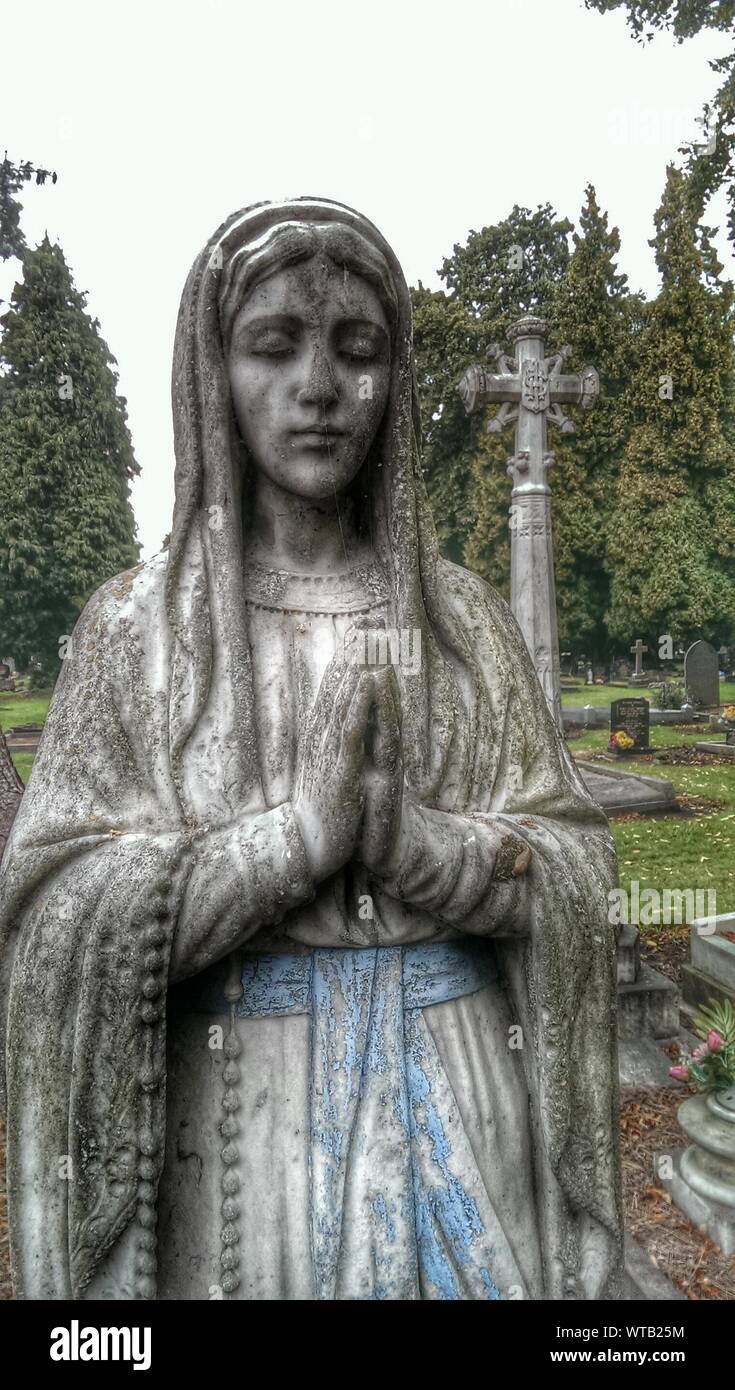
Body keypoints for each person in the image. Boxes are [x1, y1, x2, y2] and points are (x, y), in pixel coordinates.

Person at [0, 198, 622, 1301]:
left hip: (464, 1097)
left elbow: (573, 858)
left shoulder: (466, 628)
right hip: (237, 1130)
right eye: (274, 344)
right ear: (213, 374)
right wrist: (288, 847)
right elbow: (51, 908)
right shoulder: (137, 632)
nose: (320, 387)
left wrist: (432, 853)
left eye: (358, 349)